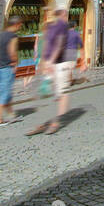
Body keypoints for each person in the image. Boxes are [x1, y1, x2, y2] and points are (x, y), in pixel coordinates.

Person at [28, 7, 70, 135]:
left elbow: (58, 45)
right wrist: (43, 62)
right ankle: (42, 123)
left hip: (59, 64)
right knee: (45, 93)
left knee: (56, 94)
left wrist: (49, 61)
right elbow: (47, 44)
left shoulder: (60, 27)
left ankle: (54, 123)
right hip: (51, 63)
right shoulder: (52, 26)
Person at [0, 16, 23, 126]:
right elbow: (12, 51)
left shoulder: (1, 34)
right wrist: (15, 63)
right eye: (20, 25)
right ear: (16, 24)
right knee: (5, 92)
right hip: (8, 66)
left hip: (0, 66)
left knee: (7, 91)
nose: (20, 27)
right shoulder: (13, 36)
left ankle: (11, 115)